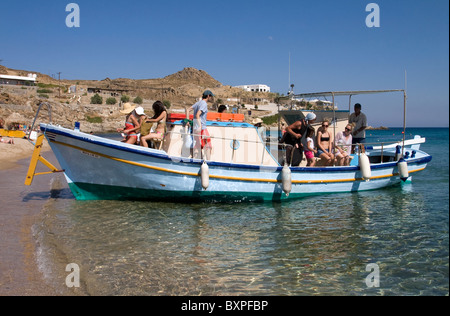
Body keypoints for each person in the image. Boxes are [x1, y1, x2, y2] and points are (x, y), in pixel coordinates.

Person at [188, 90, 215, 160]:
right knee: (208, 146)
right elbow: (197, 115)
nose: (211, 98)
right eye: (211, 96)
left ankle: (198, 160)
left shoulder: (197, 103)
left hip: (195, 128)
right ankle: (208, 162)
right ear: (208, 96)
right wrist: (200, 126)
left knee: (198, 146)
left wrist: (187, 121)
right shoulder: (204, 104)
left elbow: (188, 110)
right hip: (202, 128)